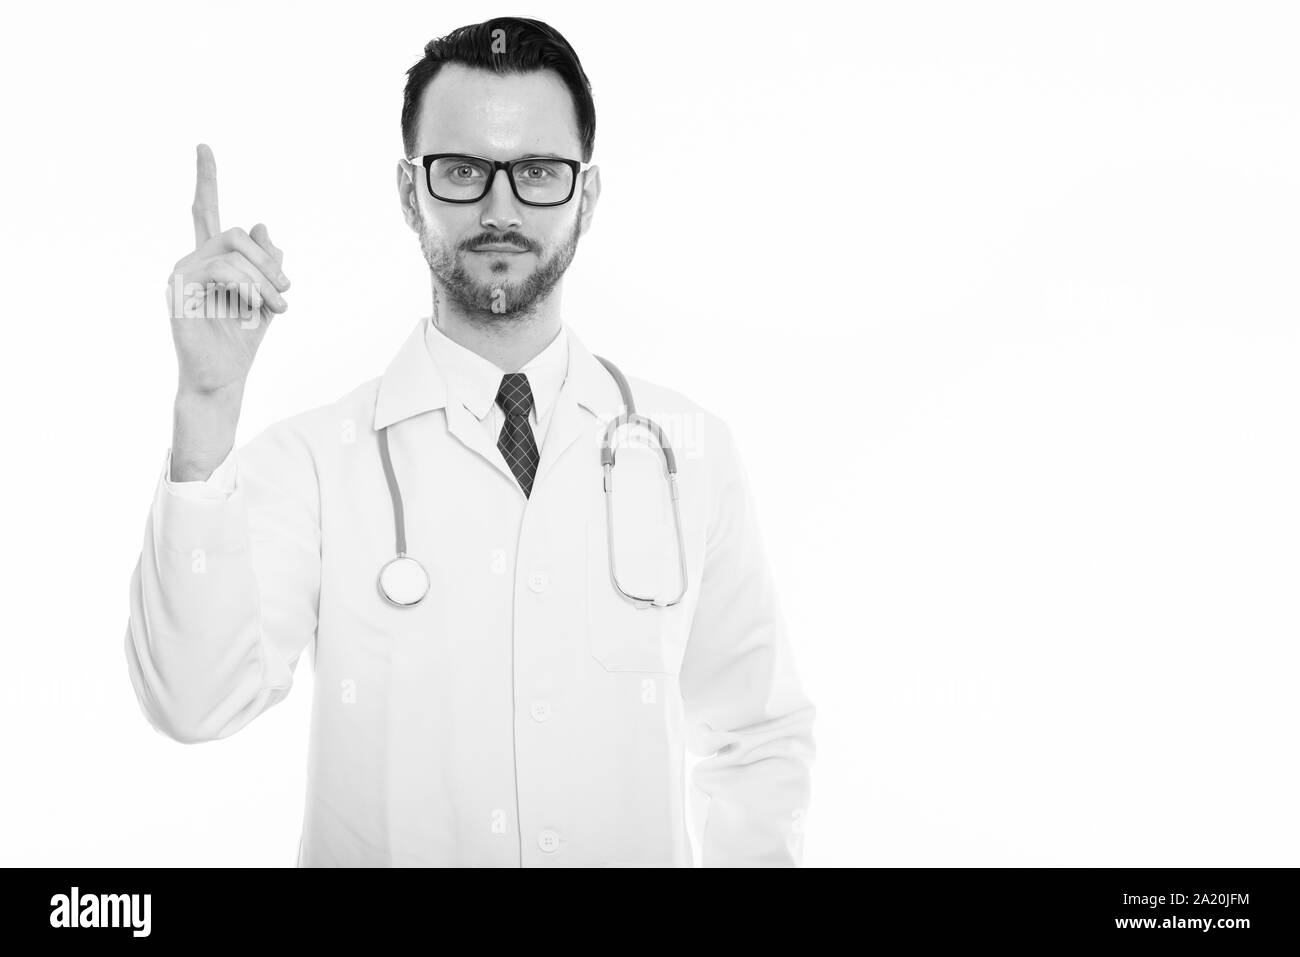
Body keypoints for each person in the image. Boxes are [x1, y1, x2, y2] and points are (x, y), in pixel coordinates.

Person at [125, 16, 816, 867]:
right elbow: (192, 702)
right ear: (410, 192)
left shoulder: (689, 452)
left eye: (536, 172)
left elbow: (757, 736)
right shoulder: (313, 461)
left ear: (586, 197)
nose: (499, 209)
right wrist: (205, 400)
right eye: (460, 171)